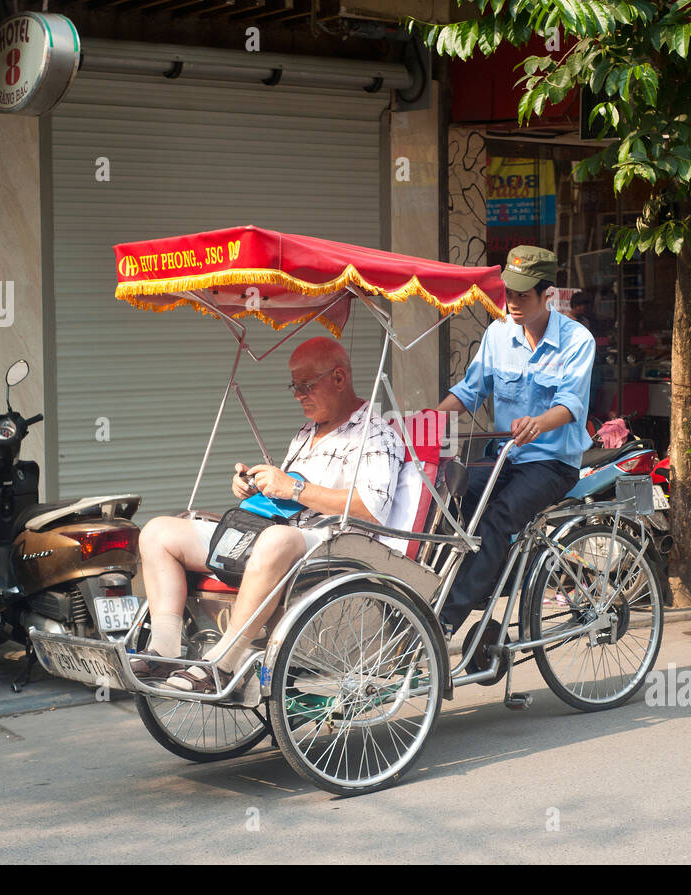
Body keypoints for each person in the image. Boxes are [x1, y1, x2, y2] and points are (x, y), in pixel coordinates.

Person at [135, 336, 403, 693]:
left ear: (339, 378)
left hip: (332, 544)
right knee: (158, 532)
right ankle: (164, 647)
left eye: (307, 385)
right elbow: (286, 491)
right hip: (273, 532)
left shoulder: (377, 433)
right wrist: (256, 485)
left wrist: (293, 489)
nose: (298, 395)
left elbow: (372, 508)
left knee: (277, 540)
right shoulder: (307, 433)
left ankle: (225, 661)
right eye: (294, 386)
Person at [434, 246, 595, 663]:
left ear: (547, 295)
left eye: (523, 295)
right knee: (455, 501)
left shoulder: (577, 341)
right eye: (509, 294)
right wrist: (427, 421)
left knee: (497, 518)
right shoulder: (497, 334)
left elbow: (572, 405)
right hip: (506, 455)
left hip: (552, 464)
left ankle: (445, 620)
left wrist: (538, 423)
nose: (513, 303)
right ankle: (449, 590)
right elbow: (470, 390)